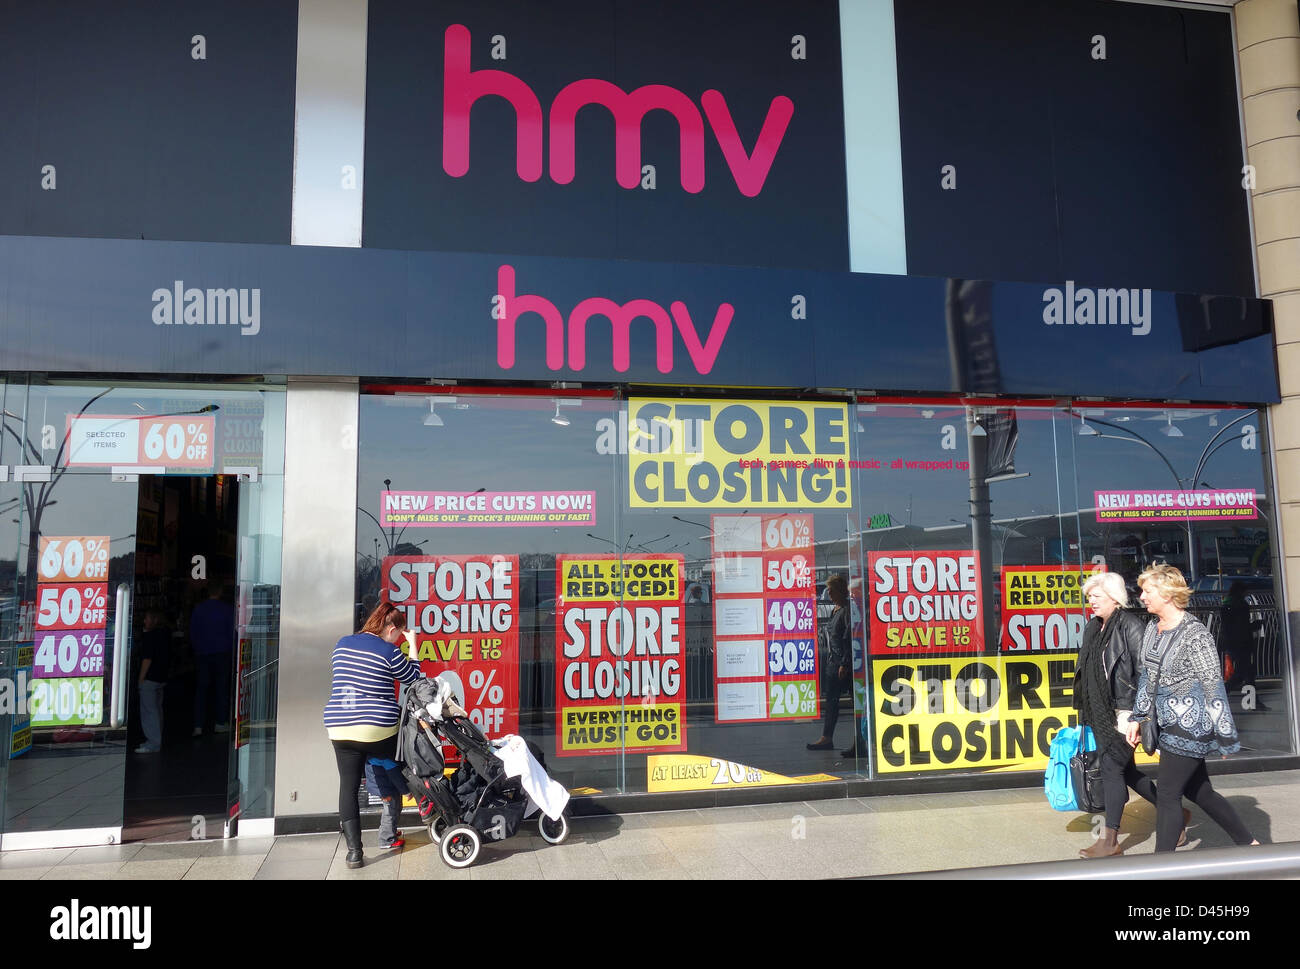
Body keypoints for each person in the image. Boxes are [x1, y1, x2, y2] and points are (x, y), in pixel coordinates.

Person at [1125, 564, 1260, 853]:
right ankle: (1251, 845)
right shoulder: (1153, 628)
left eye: (1147, 591)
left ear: (1167, 593)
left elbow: (1213, 685)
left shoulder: (1195, 634)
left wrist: (1225, 734)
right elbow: (1147, 677)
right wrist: (1138, 718)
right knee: (1201, 792)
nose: (1142, 597)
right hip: (1165, 722)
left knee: (1168, 793)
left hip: (1192, 725)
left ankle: (1162, 865)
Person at [323, 600, 425, 869]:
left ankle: (354, 853)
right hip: (376, 725)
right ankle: (424, 804)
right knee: (401, 762)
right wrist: (412, 645)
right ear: (390, 628)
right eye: (399, 633)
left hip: (339, 724)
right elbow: (414, 678)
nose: (398, 638)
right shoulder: (389, 651)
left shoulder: (342, 643)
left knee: (347, 784)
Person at [1073, 572, 1165, 858]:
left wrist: (1138, 715)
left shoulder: (1131, 626)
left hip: (1125, 713)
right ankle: (1174, 814)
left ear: (1114, 598)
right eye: (1089, 597)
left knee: (1112, 768)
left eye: (1096, 596)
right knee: (1127, 772)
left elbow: (1146, 674)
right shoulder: (1092, 627)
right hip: (1099, 713)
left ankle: (1110, 840)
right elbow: (1087, 670)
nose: (1091, 602)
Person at [807, 574, 851, 752]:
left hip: (842, 664)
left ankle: (859, 740)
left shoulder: (846, 610)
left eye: (832, 591)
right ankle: (827, 737)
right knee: (831, 701)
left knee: (854, 701)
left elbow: (848, 638)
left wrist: (844, 663)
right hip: (833, 662)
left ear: (840, 591)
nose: (829, 594)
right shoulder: (836, 609)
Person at [190, 584, 235, 736]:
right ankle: (220, 722)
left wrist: (197, 649)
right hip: (222, 653)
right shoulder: (227, 609)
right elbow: (231, 632)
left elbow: (193, 632)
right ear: (220, 591)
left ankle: (198, 725)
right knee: (221, 688)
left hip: (203, 653)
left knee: (201, 690)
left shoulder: (198, 609)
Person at [135, 609, 171, 754]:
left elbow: (147, 659)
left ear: (154, 620)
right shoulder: (165, 634)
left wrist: (140, 679)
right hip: (161, 677)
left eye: (147, 619)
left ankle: (153, 743)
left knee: (149, 711)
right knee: (157, 710)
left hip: (150, 678)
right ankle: (156, 739)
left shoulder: (150, 637)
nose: (144, 621)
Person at [364, 757, 409, 851]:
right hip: (386, 789)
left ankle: (390, 831)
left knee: (396, 808)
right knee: (390, 812)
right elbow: (395, 776)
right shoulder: (386, 759)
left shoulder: (376, 754)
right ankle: (386, 840)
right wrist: (406, 792)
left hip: (386, 786)